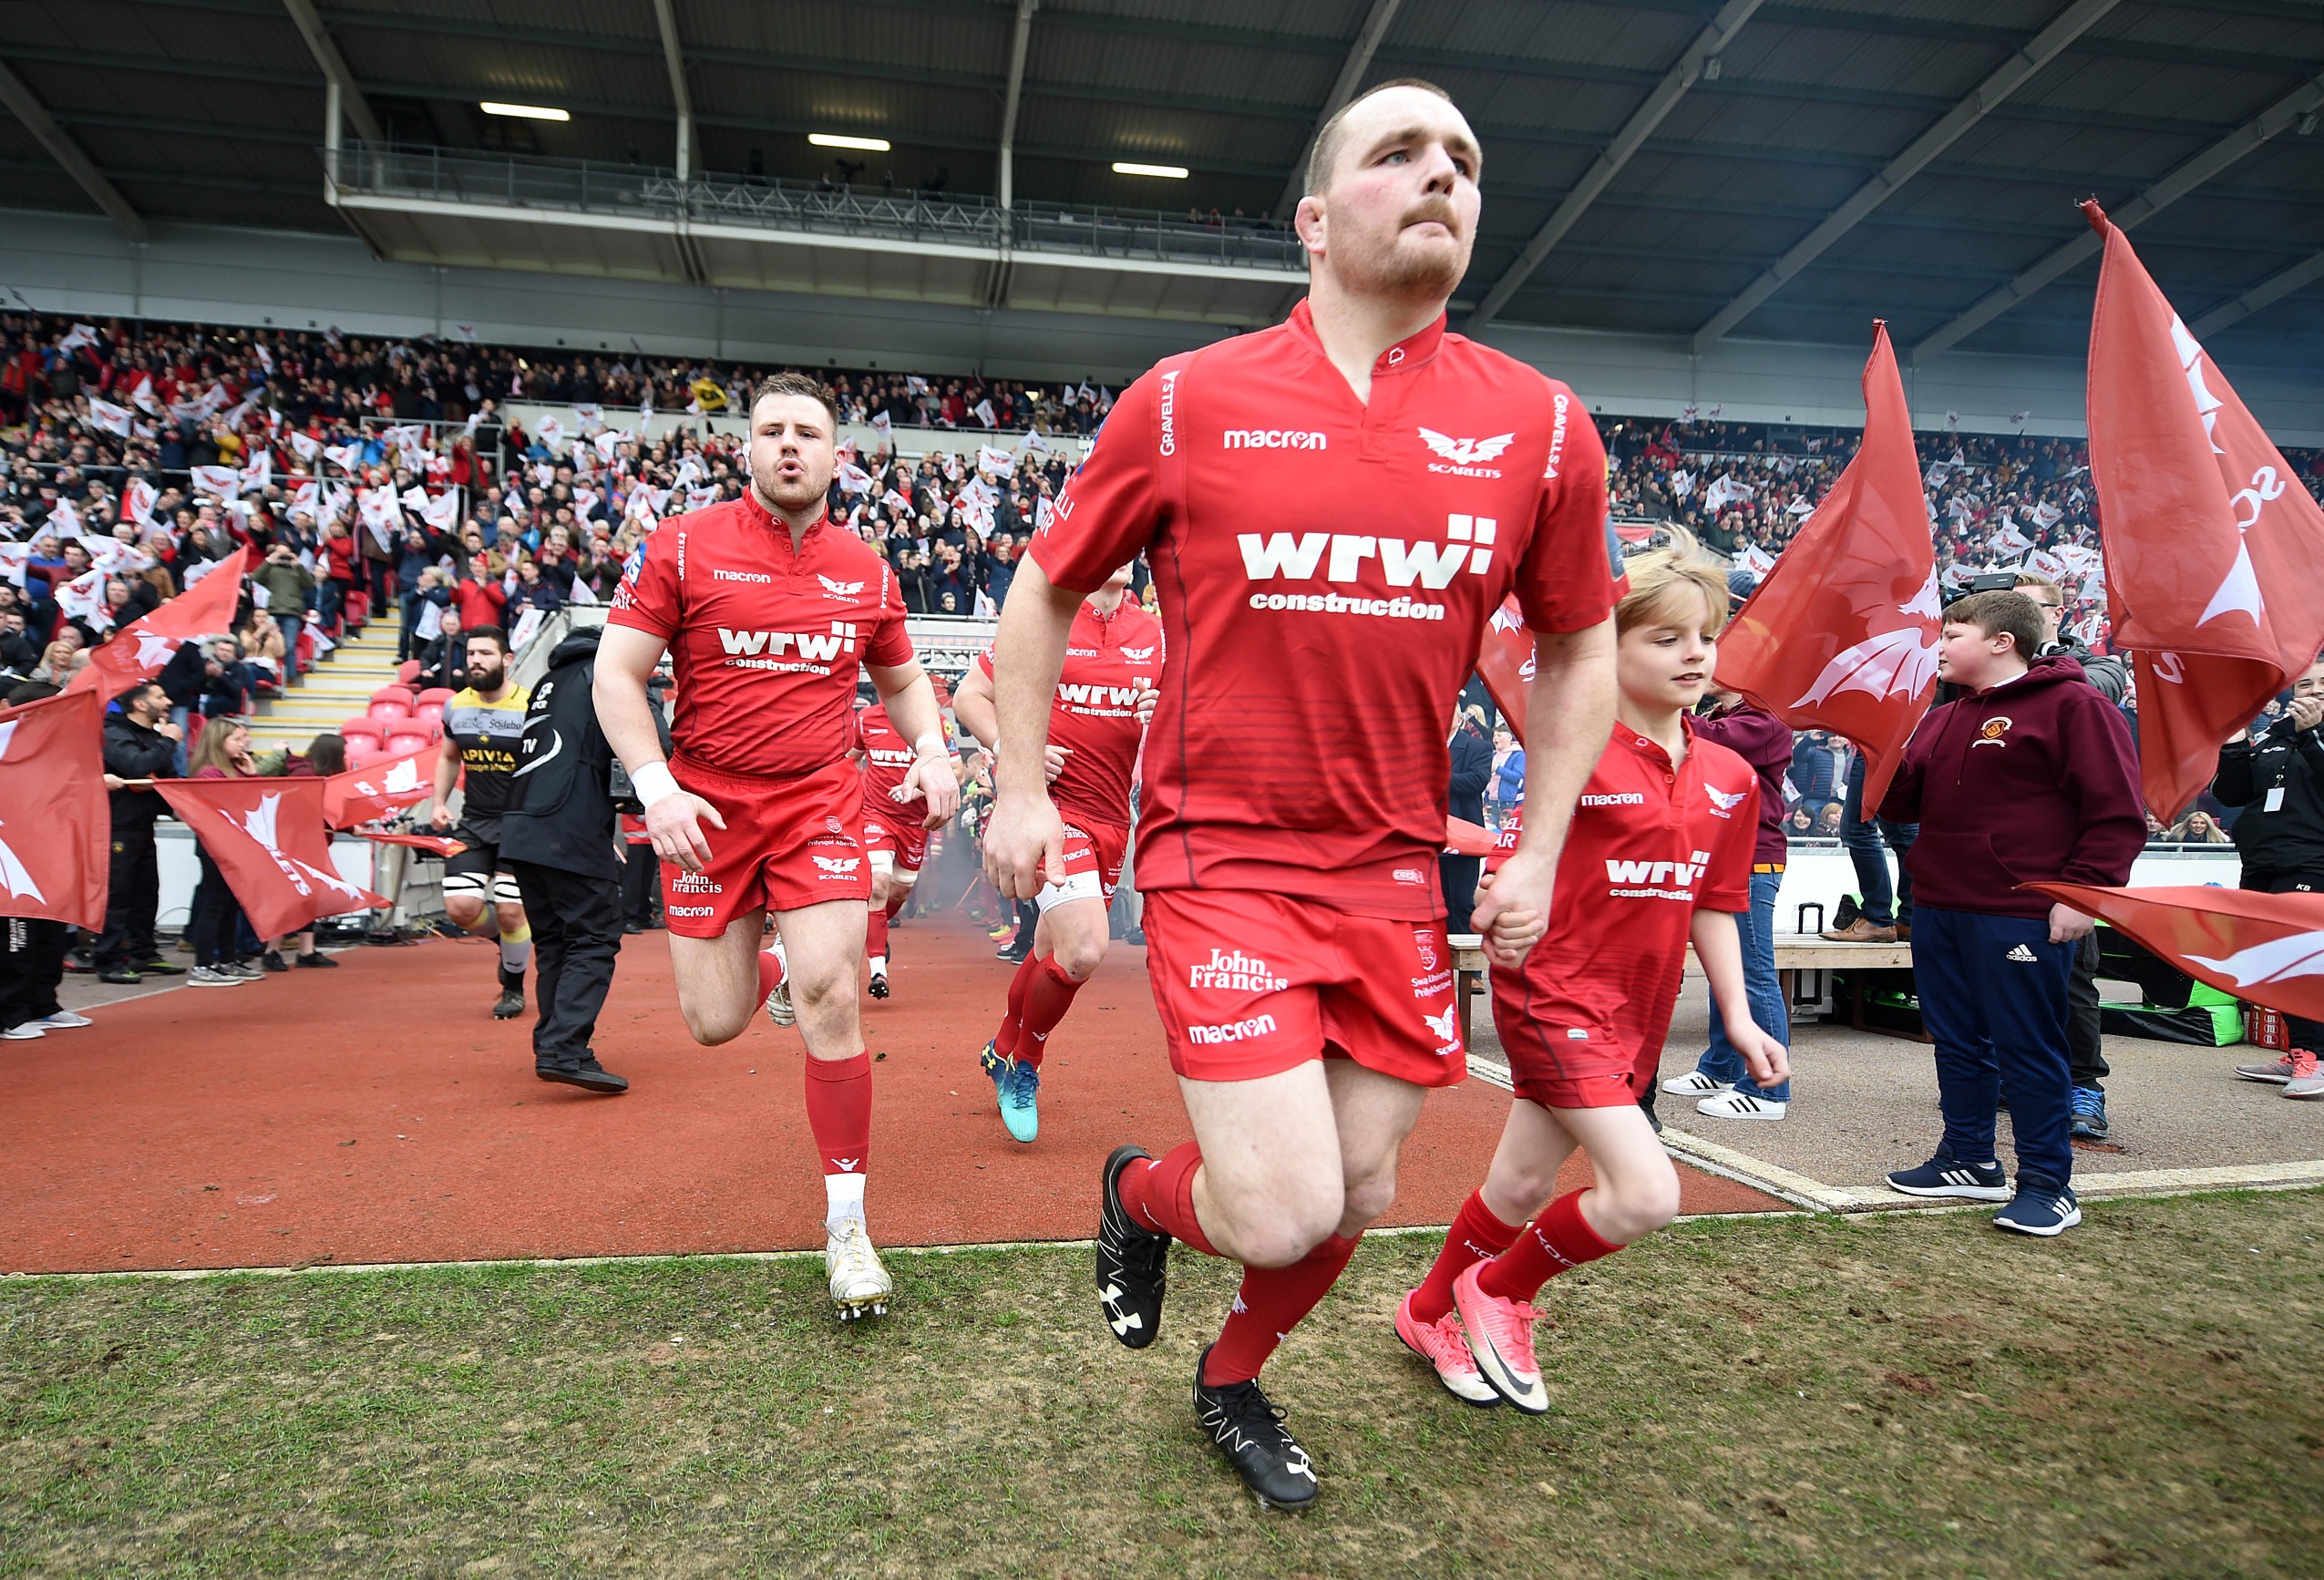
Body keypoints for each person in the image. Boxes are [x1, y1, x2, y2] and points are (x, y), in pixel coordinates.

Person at [981, 79, 1620, 1508]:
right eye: (1398, 154)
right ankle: (1143, 1194)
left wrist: (1537, 842)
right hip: (1224, 860)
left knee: (1365, 1196)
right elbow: (1042, 591)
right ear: (1315, 223)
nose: (1440, 175)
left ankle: (1227, 1377)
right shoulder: (1190, 396)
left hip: (1396, 871)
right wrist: (1021, 788)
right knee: (1281, 1206)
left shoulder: (1541, 422)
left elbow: (1581, 646)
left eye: (1463, 157)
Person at [593, 372, 960, 1322]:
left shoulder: (865, 568)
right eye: (771, 431)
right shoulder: (681, 545)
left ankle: (848, 1231)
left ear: (838, 456)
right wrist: (657, 787)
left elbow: (905, 679)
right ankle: (775, 971)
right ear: (746, 449)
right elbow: (616, 677)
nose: (789, 445)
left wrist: (931, 748)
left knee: (836, 996)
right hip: (706, 809)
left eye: (807, 432)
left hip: (820, 808)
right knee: (712, 1021)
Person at [1399, 531, 1786, 1411]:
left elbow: (1715, 902)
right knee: (1647, 1193)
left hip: (1637, 1013)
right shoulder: (1565, 754)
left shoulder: (1731, 773)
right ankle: (1500, 1291)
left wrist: (1737, 1016)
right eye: (1665, 637)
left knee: (1522, 1184)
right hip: (1553, 993)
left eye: (1705, 636)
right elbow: (1510, 868)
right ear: (1604, 650)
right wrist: (1501, 902)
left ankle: (1426, 1311)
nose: (1694, 654)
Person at [1877, 590, 2144, 1236]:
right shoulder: (1942, 719)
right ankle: (1969, 1159)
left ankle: (2050, 1185)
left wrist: (2083, 892)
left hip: (2020, 909)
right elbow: (1902, 807)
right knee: (1958, 1041)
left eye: (1954, 633)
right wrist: (1879, 750)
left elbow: (2116, 809)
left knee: (2028, 1046)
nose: (1939, 645)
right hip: (1941, 904)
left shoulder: (2075, 705)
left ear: (2002, 641)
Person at [954, 560, 1162, 1142]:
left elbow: (1183, 720)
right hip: (1051, 812)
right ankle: (1025, 1065)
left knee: (1049, 950)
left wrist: (1162, 713)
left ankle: (1000, 1050)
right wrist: (1012, 750)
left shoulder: (1154, 632)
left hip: (1113, 816)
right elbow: (969, 696)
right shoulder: (1045, 617)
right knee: (1086, 948)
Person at [2016, 570, 2129, 1139]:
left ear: (2057, 616)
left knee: (2074, 981)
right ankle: (2025, 1081)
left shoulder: (2096, 666)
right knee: (2006, 979)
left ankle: (2085, 1088)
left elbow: (2092, 690)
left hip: (2069, 862)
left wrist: (2037, 663)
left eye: (2027, 609)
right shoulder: (1987, 680)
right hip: (2009, 863)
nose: (2013, 619)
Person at [500, 626, 630, 1094]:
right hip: (567, 824)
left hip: (521, 824)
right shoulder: (608, 671)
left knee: (555, 939)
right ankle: (565, 1048)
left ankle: (552, 1043)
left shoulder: (548, 682)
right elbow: (653, 741)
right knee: (594, 935)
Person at [1662, 682, 1798, 1121]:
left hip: (1752, 859)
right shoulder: (1725, 717)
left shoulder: (1764, 719)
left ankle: (1768, 1090)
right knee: (1727, 969)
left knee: (1753, 971)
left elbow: (1700, 739)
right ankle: (1720, 1066)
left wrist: (1664, 702)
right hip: (1721, 856)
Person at [2220, 651, 2324, 1098]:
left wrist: (2314, 734)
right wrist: (2235, 745)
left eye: (2323, 686)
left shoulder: (2311, 737)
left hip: (2311, 864)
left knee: (2305, 963)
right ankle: (2299, 1048)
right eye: (2305, 686)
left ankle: (2315, 1057)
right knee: (2275, 963)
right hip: (2261, 864)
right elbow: (2231, 793)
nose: (2313, 693)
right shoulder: (2274, 736)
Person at [427, 627, 532, 1019]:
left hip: (520, 825)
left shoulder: (530, 705)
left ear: (506, 660)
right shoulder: (455, 706)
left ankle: (513, 985)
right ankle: (511, 944)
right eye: (471, 653)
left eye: (485, 654)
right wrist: (439, 802)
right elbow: (449, 757)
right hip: (473, 821)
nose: (475, 660)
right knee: (460, 908)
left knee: (509, 911)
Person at [0, 680, 90, 1041]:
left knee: (51, 933)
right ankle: (12, 1013)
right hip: (13, 857)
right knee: (17, 939)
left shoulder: (56, 746)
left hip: (48, 852)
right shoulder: (7, 741)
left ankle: (43, 1004)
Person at [848, 696, 946, 1003]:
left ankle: (877, 931)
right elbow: (850, 758)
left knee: (898, 892)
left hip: (915, 823)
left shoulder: (934, 726)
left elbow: (955, 773)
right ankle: (878, 971)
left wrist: (917, 789)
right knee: (878, 883)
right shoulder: (865, 718)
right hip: (875, 814)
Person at [93, 681, 185, 985]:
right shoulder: (115, 732)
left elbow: (166, 779)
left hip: (144, 825)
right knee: (118, 896)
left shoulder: (153, 736)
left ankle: (143, 952)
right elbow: (136, 766)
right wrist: (168, 741)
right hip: (118, 826)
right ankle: (108, 960)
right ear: (141, 705)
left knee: (147, 893)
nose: (168, 701)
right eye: (160, 696)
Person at [183, 715, 261, 987]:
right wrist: (249, 779)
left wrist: (251, 775)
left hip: (235, 845)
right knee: (215, 903)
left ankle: (227, 960)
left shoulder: (234, 768)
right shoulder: (209, 773)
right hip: (215, 846)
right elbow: (229, 806)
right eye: (237, 739)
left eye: (244, 738)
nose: (244, 743)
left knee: (230, 905)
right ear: (219, 741)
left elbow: (255, 804)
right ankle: (203, 965)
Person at [1442, 704, 1491, 932]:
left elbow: (1477, 781)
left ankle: (1466, 966)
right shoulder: (1425, 745)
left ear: (1459, 718)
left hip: (1464, 837)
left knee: (1461, 902)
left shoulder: (1477, 746)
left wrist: (1435, 778)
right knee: (1437, 903)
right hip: (1432, 834)